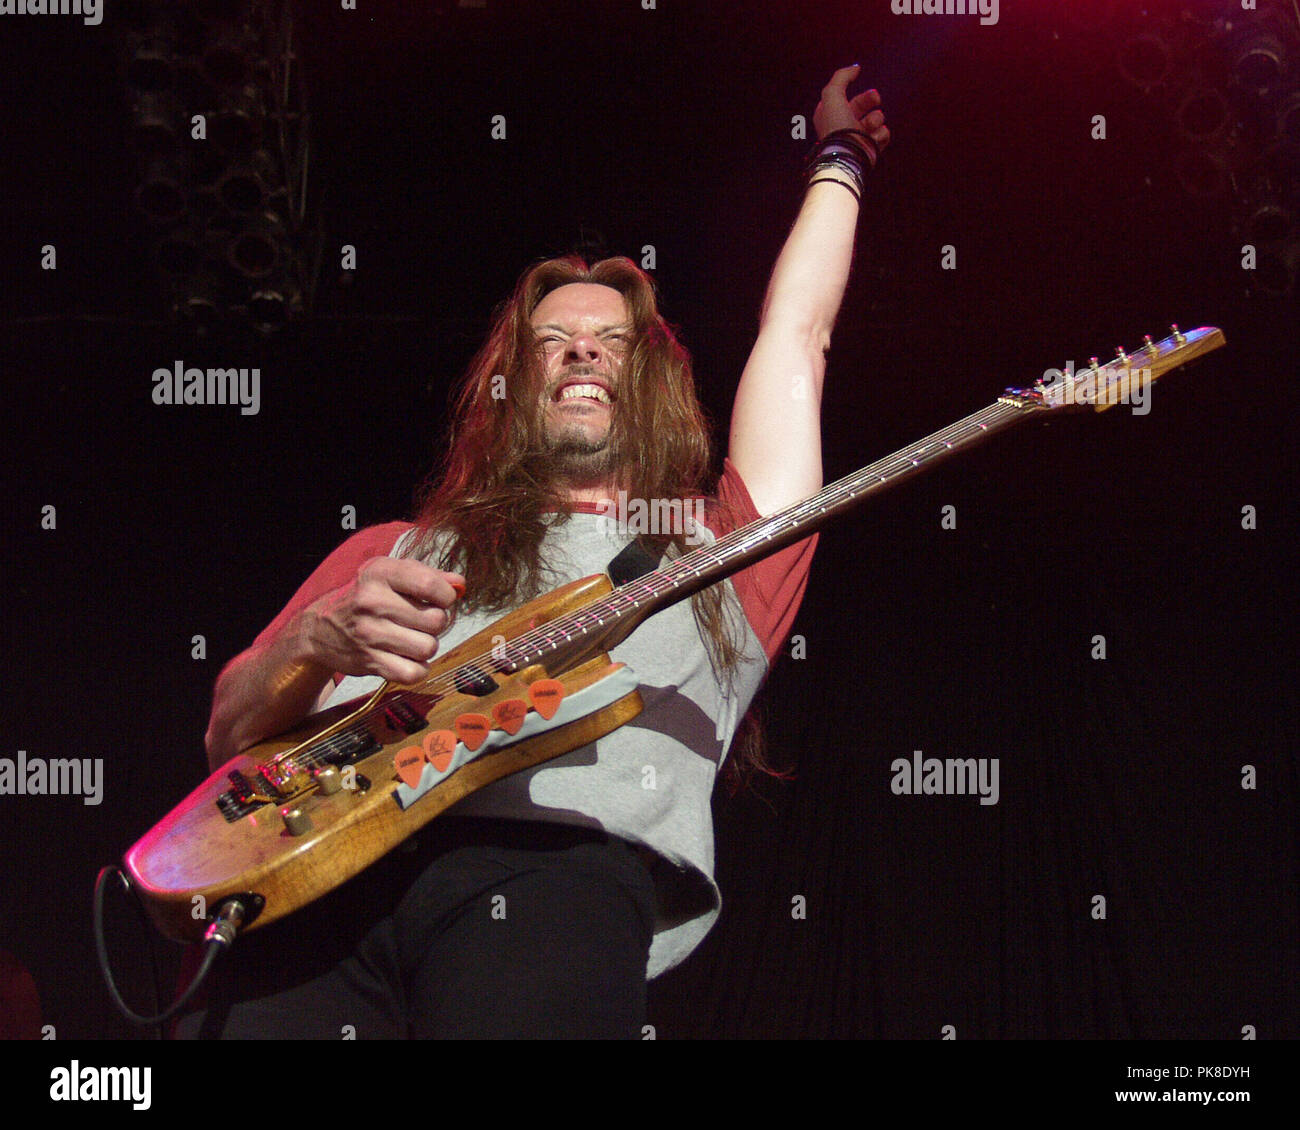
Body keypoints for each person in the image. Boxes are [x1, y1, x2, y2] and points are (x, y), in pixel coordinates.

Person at [178, 66, 889, 1039]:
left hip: (549, 876)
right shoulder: (396, 546)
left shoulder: (719, 547)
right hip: (305, 890)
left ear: (650, 382)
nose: (583, 350)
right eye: (552, 339)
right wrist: (313, 640)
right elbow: (228, 733)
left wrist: (837, 157)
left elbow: (796, 337)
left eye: (611, 340)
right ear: (511, 383)